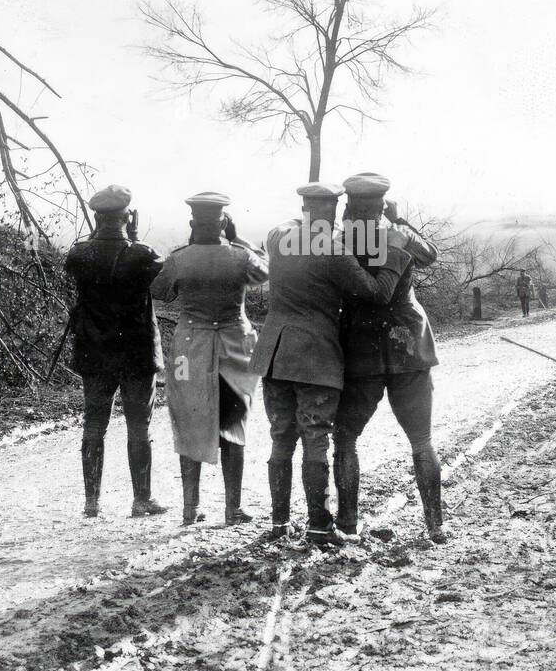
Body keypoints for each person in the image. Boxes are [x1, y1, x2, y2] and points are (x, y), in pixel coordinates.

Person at [249, 182, 412, 547]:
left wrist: (307, 220)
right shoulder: (334, 250)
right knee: (316, 440)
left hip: (273, 355)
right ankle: (319, 526)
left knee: (281, 440)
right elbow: (376, 293)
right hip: (315, 358)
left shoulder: (280, 239)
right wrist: (396, 255)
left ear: (304, 208)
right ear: (334, 212)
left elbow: (284, 228)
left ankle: (278, 524)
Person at [333, 173, 447, 544]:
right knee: (421, 439)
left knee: (346, 438)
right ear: (383, 204)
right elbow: (431, 255)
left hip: (361, 345)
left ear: (349, 205)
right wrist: (399, 221)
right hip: (408, 344)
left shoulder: (338, 241)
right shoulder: (399, 235)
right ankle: (435, 525)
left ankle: (348, 523)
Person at [150, 192, 269, 526]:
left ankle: (190, 509)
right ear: (223, 221)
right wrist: (237, 237)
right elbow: (265, 272)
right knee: (233, 421)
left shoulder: (179, 259)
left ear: (192, 222)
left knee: (190, 420)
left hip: (191, 347)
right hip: (235, 344)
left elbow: (159, 291)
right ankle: (233, 508)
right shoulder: (241, 256)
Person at [65, 185, 167, 519]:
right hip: (136, 353)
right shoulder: (144, 254)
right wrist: (133, 237)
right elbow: (167, 287)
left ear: (97, 216)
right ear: (127, 215)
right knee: (139, 426)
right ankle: (142, 500)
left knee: (94, 426)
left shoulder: (79, 254)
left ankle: (92, 502)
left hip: (96, 352)